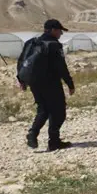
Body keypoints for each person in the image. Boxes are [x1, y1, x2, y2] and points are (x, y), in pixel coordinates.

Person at [17, 19, 75, 151]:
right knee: (59, 111)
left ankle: (32, 134)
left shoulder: (31, 42)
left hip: (35, 83)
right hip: (51, 82)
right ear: (53, 30)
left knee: (43, 109)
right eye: (60, 31)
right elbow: (61, 67)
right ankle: (54, 141)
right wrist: (70, 84)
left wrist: (21, 80)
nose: (61, 34)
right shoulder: (54, 45)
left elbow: (21, 61)